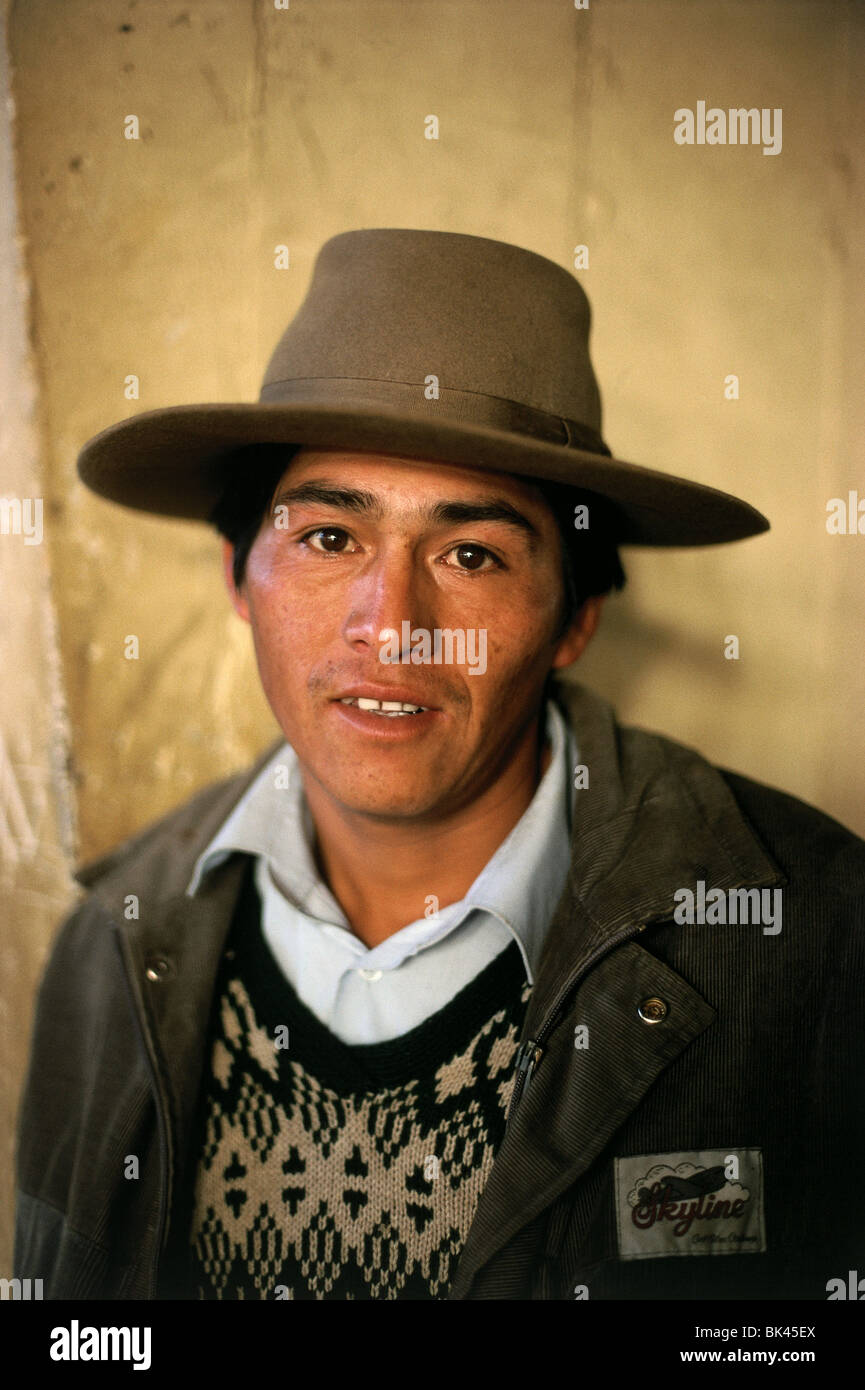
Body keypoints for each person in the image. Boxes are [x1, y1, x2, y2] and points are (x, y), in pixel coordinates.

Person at [14, 228, 865, 1301]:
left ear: (573, 618)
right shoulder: (110, 942)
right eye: (329, 537)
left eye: (472, 554)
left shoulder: (816, 938)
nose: (396, 626)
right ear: (240, 577)